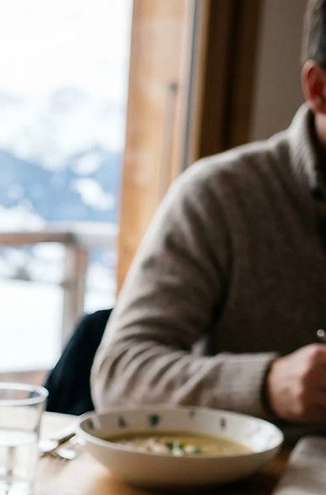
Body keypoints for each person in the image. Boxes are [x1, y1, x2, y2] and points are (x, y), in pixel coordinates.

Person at [90, 0, 326, 427]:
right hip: (254, 468)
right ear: (319, 88)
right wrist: (267, 384)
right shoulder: (221, 196)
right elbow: (120, 375)